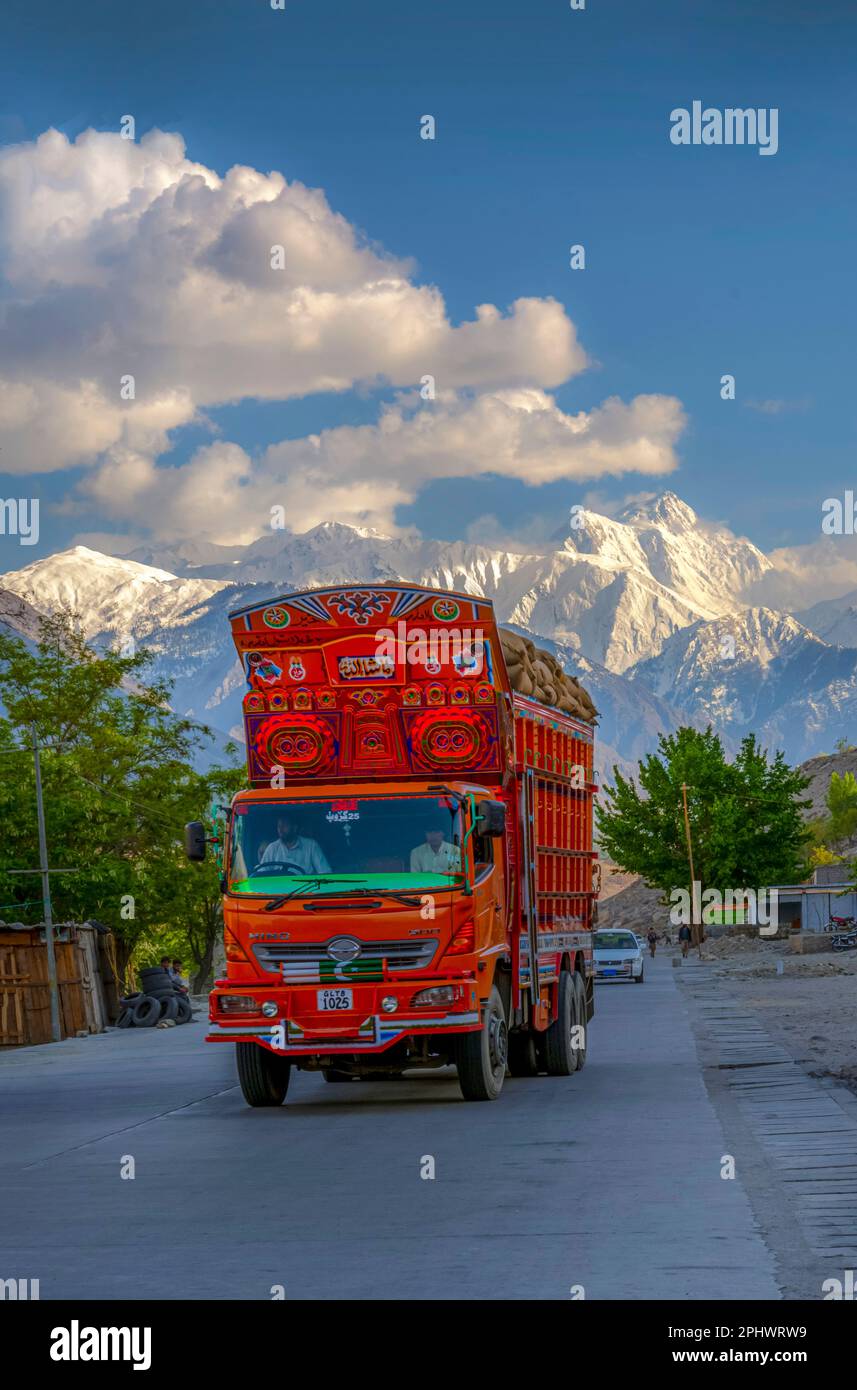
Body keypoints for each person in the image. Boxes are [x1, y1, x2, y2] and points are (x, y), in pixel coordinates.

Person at [259, 815, 331, 874]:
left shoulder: (311, 845)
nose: (280, 830)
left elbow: (325, 872)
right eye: (279, 826)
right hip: (278, 889)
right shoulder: (272, 848)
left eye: (284, 826)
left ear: (294, 828)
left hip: (305, 889)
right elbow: (261, 872)